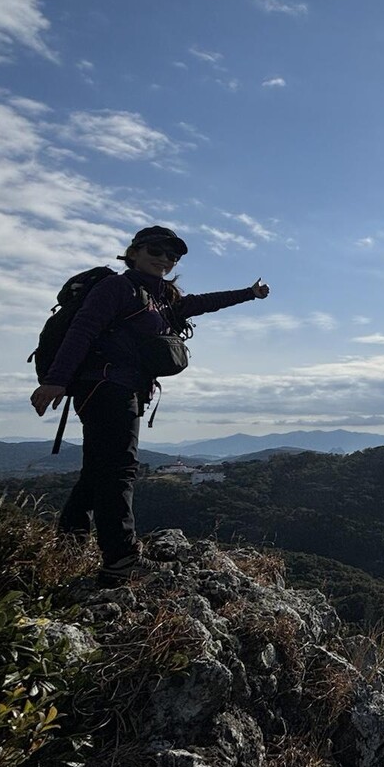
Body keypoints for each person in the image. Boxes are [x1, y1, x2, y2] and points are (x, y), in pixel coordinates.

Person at [30, 225, 270, 585]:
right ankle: (121, 560)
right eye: (156, 251)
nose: (164, 259)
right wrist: (56, 380)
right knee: (119, 471)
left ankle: (68, 545)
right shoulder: (118, 288)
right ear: (135, 251)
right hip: (106, 388)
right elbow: (83, 328)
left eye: (172, 256)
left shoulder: (159, 298)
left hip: (121, 390)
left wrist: (249, 294)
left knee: (98, 471)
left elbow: (203, 303)